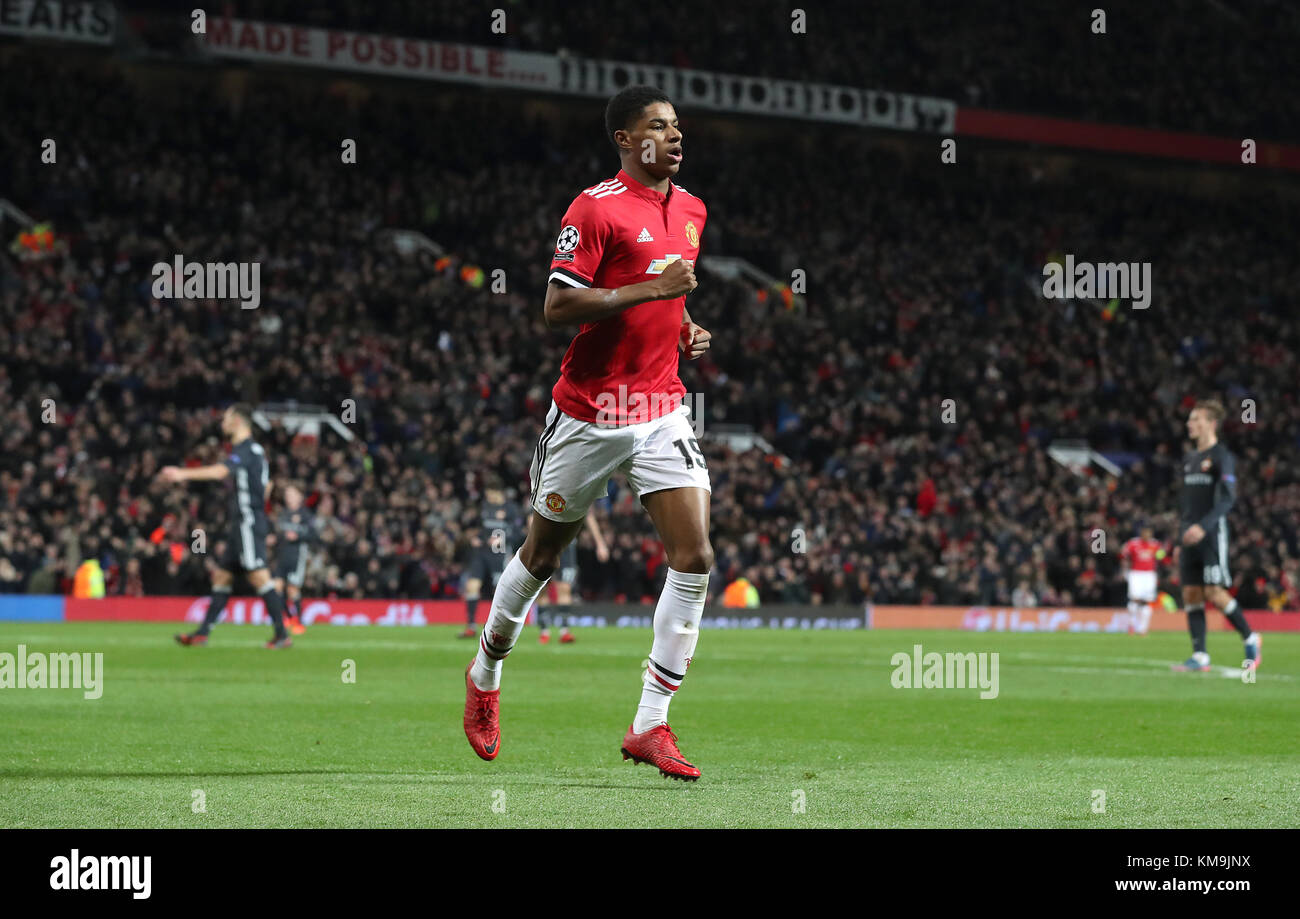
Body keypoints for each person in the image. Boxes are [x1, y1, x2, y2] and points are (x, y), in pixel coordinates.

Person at [463, 85, 714, 781]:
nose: (674, 135)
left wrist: (682, 324)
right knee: (541, 557)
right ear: (626, 140)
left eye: (676, 125)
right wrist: (651, 294)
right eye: (658, 127)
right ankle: (485, 671)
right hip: (589, 414)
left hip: (662, 406)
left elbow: (671, 291)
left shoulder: (691, 209)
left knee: (694, 555)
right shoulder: (594, 207)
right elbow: (557, 303)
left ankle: (650, 724)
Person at [161, 404, 292, 649]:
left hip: (248, 523)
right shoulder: (251, 451)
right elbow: (267, 486)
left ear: (239, 422)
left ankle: (282, 633)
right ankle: (202, 633)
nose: (223, 422)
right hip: (241, 524)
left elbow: (221, 471)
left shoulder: (247, 450)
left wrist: (182, 474)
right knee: (221, 577)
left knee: (259, 576)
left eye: (227, 417)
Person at [1172, 400, 1259, 671]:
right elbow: (1186, 504)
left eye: (1195, 419)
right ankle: (1200, 656)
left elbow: (1227, 499)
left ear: (1211, 423)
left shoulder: (1222, 457)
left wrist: (1204, 527)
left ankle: (1250, 637)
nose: (1189, 424)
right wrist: (1181, 537)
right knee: (1190, 593)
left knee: (1214, 592)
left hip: (1211, 534)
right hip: (1188, 537)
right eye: (1189, 420)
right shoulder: (1189, 459)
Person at [537, 513, 609, 644]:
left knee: (565, 588)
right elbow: (533, 516)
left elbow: (589, 516)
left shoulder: (578, 493)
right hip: (545, 543)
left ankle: (564, 631)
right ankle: (544, 631)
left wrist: (600, 544)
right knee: (542, 588)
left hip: (566, 546)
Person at [272, 483, 314, 636]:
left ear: (299, 496)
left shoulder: (306, 515)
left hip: (297, 555)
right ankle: (289, 617)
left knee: (292, 589)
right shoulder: (283, 514)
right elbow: (279, 533)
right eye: (287, 493)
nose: (287, 496)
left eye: (291, 493)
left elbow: (313, 534)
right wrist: (274, 539)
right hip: (282, 555)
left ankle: (299, 622)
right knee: (277, 588)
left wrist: (298, 536)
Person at [1120, 522, 1163, 635]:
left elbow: (1161, 558)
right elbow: (1123, 556)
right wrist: (1124, 571)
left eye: (1149, 532)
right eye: (1145, 532)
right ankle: (1131, 625)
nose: (1147, 534)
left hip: (1149, 575)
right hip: (1136, 574)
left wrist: (1162, 554)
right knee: (1134, 599)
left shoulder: (1156, 544)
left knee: (1147, 602)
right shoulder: (1133, 543)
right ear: (1141, 532)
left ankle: (1143, 629)